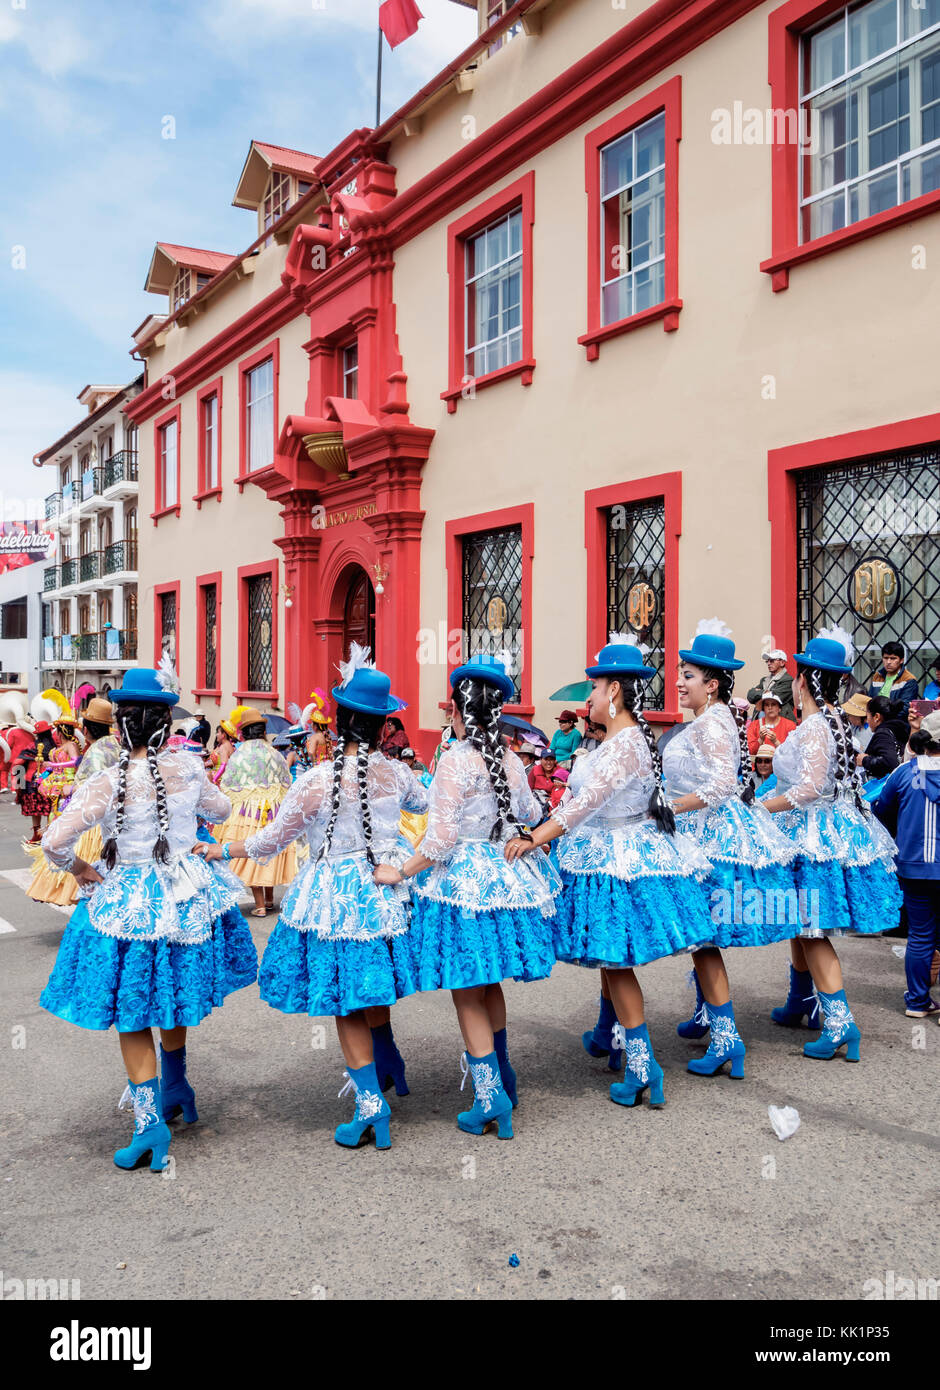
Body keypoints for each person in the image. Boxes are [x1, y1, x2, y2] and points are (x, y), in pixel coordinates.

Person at [198, 648, 428, 1148]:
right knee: (373, 985)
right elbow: (422, 802)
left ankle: (372, 1107)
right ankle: (390, 1064)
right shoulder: (398, 772)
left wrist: (221, 849)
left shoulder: (317, 779)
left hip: (336, 898)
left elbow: (270, 841)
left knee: (347, 1000)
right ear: (382, 725)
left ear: (341, 722)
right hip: (388, 892)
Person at [38, 663, 258, 1171]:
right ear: (165, 727)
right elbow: (223, 811)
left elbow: (54, 841)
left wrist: (79, 868)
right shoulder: (189, 769)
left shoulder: (106, 781)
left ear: (119, 726)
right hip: (185, 898)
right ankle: (177, 1088)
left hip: (127, 904)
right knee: (172, 997)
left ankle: (149, 1126)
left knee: (134, 1012)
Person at [506, 636, 715, 1107]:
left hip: (619, 863)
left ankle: (644, 1067)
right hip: (602, 855)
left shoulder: (625, 745)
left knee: (617, 963)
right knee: (609, 959)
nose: (589, 698)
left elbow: (586, 804)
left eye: (594, 688)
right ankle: (617, 1042)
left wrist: (535, 838)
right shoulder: (614, 740)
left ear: (614, 691)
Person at [374, 654, 559, 1140]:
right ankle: (503, 1075)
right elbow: (531, 811)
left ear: (458, 710)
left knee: (466, 991)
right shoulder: (510, 758)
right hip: (504, 880)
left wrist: (400, 872)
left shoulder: (455, 759)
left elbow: (440, 841)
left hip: (462, 887)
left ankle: (489, 1096)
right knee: (490, 980)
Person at [660, 621, 799, 1077]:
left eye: (688, 676)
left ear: (713, 684)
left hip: (707, 838)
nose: (678, 682)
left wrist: (666, 807)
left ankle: (726, 1039)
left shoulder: (713, 723)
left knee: (703, 939)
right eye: (680, 673)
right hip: (698, 832)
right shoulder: (710, 719)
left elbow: (721, 785)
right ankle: (708, 1018)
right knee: (702, 937)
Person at [760, 627, 902, 1060]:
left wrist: (760, 810)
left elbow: (808, 790)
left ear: (803, 678)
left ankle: (841, 1024)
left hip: (812, 833)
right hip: (818, 831)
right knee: (802, 924)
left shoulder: (818, 726)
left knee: (814, 927)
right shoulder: (828, 722)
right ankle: (801, 1002)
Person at [872, 711, 940, 1019]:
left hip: (913, 864)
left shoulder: (905, 772)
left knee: (920, 934)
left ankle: (917, 1001)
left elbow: (881, 808)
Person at [27, 697, 120, 907]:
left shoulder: (96, 752)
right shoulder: (115, 745)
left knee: (86, 870)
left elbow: (93, 788)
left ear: (86, 730)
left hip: (94, 822)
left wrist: (65, 789)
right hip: (113, 819)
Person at [218, 706, 296, 918]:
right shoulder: (275, 753)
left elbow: (227, 785)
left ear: (243, 732)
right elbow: (287, 781)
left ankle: (260, 904)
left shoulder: (239, 754)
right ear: (262, 731)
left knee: (251, 850)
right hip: (274, 810)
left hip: (247, 811)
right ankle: (269, 899)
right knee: (270, 849)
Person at [859, 696, 908, 780]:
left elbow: (890, 762)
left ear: (876, 717)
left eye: (867, 716)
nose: (867, 721)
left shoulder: (883, 734)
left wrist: (864, 760)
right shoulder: (899, 729)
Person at [867, 640, 919, 713]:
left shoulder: (909, 680)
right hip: (875, 720)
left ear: (901, 660)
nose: (888, 662)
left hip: (895, 722)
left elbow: (905, 709)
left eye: (893, 658)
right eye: (885, 658)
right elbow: (870, 700)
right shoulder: (877, 675)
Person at [747, 647, 795, 721]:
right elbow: (750, 695)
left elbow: (774, 698)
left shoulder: (788, 680)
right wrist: (765, 693)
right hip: (761, 723)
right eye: (767, 661)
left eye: (772, 661)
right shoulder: (764, 680)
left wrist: (759, 693)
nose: (769, 663)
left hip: (779, 725)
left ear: (782, 662)